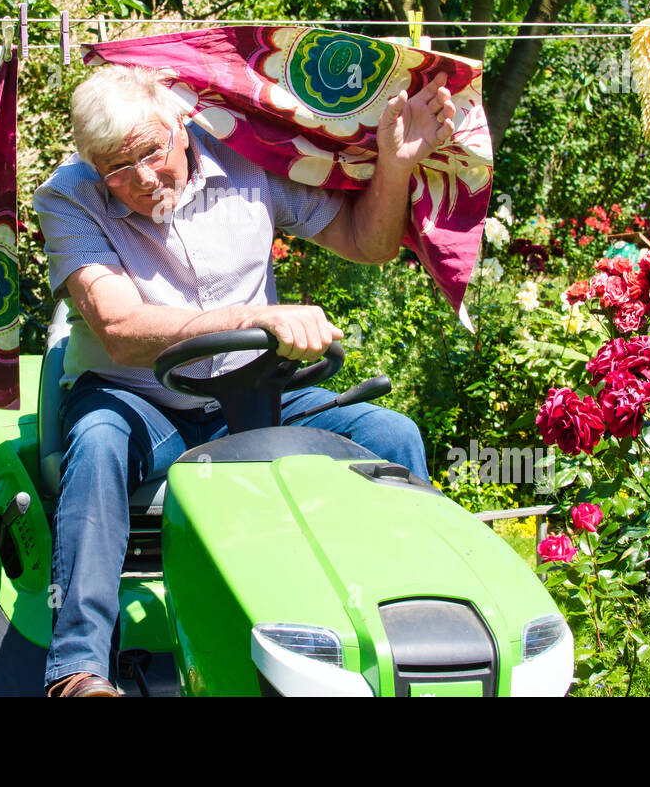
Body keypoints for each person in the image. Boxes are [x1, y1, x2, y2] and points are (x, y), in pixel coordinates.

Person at [32, 64, 456, 697]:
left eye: (152, 152)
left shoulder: (248, 158)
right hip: (138, 399)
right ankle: (79, 670)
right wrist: (255, 315)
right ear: (95, 169)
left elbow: (369, 243)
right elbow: (119, 327)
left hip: (258, 392)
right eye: (118, 171)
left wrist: (396, 163)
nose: (144, 180)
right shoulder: (67, 196)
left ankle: (419, 635)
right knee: (95, 445)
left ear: (179, 121)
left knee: (389, 436)